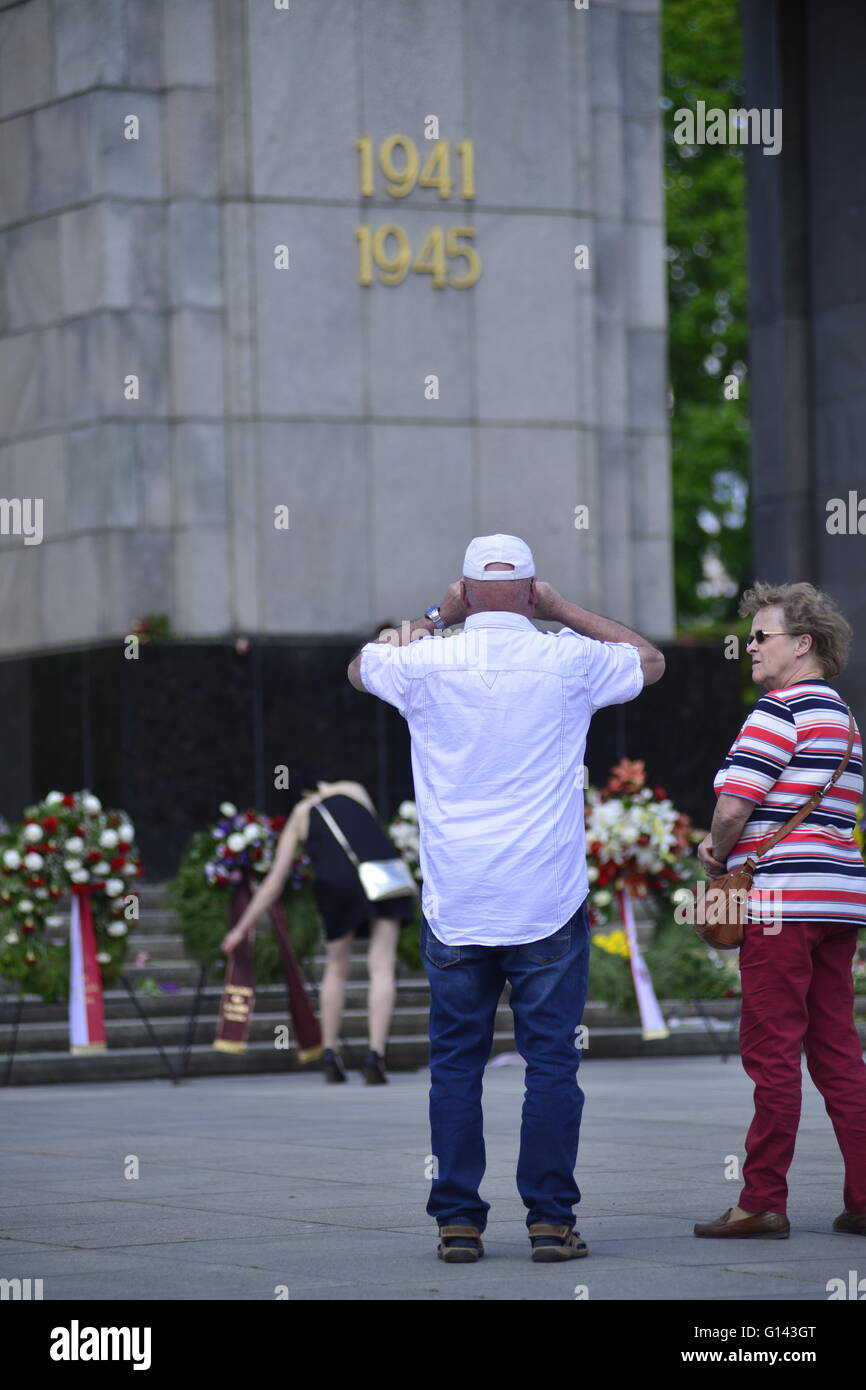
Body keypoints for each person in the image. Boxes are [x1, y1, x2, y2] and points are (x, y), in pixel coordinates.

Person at [347, 534, 665, 1262]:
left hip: (458, 899)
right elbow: (651, 660)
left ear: (464, 590)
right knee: (552, 1063)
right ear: (530, 591)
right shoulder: (568, 658)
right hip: (546, 899)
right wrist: (565, 609)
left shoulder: (425, 659)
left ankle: (458, 1221)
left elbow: (363, 666)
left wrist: (435, 612)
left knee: (455, 1064)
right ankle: (550, 1220)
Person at [695, 582, 866, 1239]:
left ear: (804, 644)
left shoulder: (778, 710)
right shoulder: (845, 721)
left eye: (761, 637)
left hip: (780, 905)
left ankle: (762, 1199)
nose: (751, 649)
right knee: (838, 1050)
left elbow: (736, 806)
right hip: (838, 903)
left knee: (772, 1053)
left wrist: (717, 851)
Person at [221, 770, 415, 1084]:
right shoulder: (354, 787)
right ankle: (376, 1054)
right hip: (381, 878)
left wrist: (240, 929)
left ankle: (329, 1052)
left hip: (336, 885)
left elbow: (273, 883)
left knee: (336, 968)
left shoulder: (300, 814)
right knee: (381, 966)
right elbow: (373, 832)